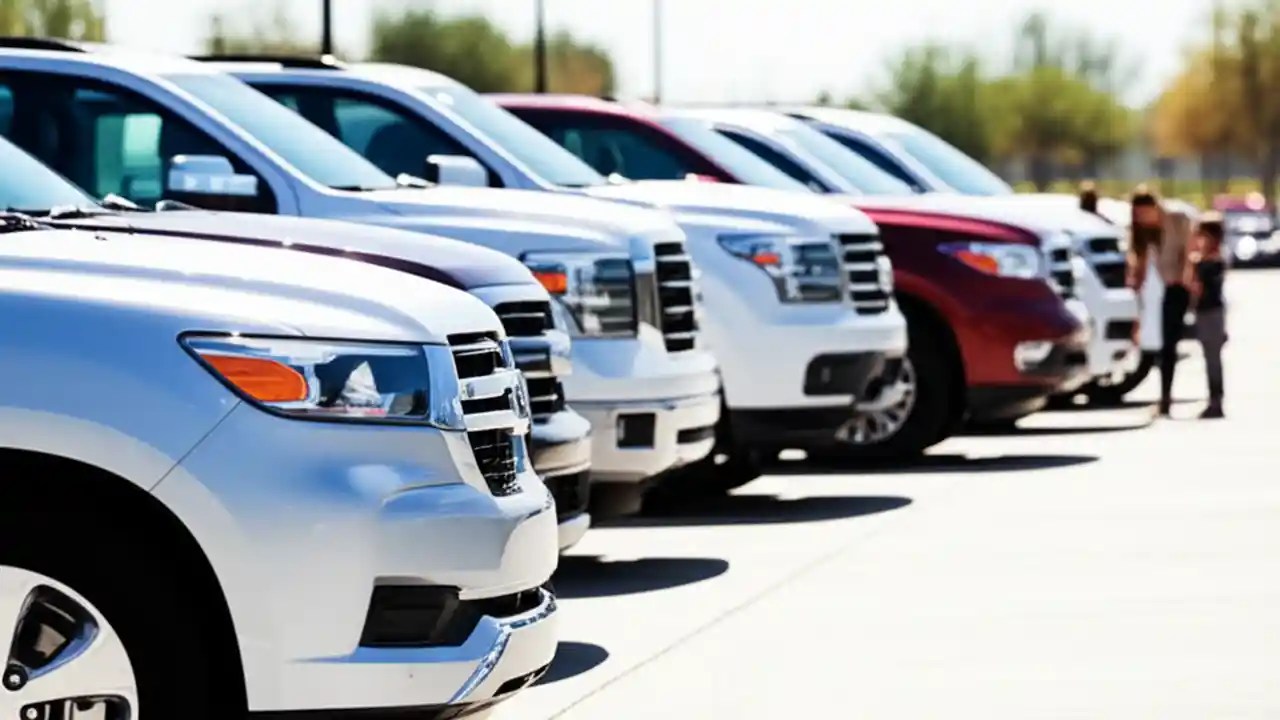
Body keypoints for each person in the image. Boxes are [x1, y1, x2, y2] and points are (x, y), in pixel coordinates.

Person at [1128, 187, 1192, 417]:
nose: (1143, 218)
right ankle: (1164, 397)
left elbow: (1188, 251)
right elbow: (1139, 263)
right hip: (1155, 289)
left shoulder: (1178, 220)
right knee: (1159, 345)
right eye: (1139, 214)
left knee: (1170, 343)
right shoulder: (1141, 231)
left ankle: (1166, 397)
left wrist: (1185, 279)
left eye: (1146, 212)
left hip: (1178, 286)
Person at [1186, 213, 1228, 418]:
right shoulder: (1217, 261)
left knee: (1212, 360)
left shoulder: (1207, 263)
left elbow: (1196, 287)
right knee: (1213, 358)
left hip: (1209, 313)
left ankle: (1215, 400)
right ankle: (1215, 399)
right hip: (1213, 312)